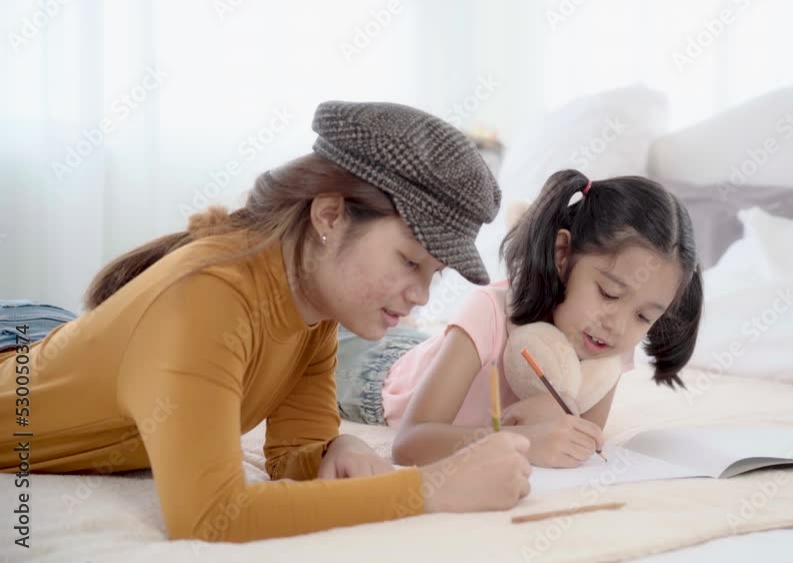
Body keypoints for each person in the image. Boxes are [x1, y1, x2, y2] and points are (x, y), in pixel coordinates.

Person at [0, 101, 533, 542]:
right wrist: (431, 489)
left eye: (434, 275)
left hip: (48, 338)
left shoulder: (315, 315)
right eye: (409, 261)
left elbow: (290, 457)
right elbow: (211, 517)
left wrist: (333, 449)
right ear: (329, 216)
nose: (419, 296)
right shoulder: (205, 298)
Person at [335, 170, 703, 469]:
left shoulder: (610, 345)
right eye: (608, 293)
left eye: (644, 316)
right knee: (325, 335)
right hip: (375, 372)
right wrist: (522, 439)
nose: (619, 326)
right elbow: (411, 444)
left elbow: (583, 434)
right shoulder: (490, 310)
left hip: (430, 353)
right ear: (563, 254)